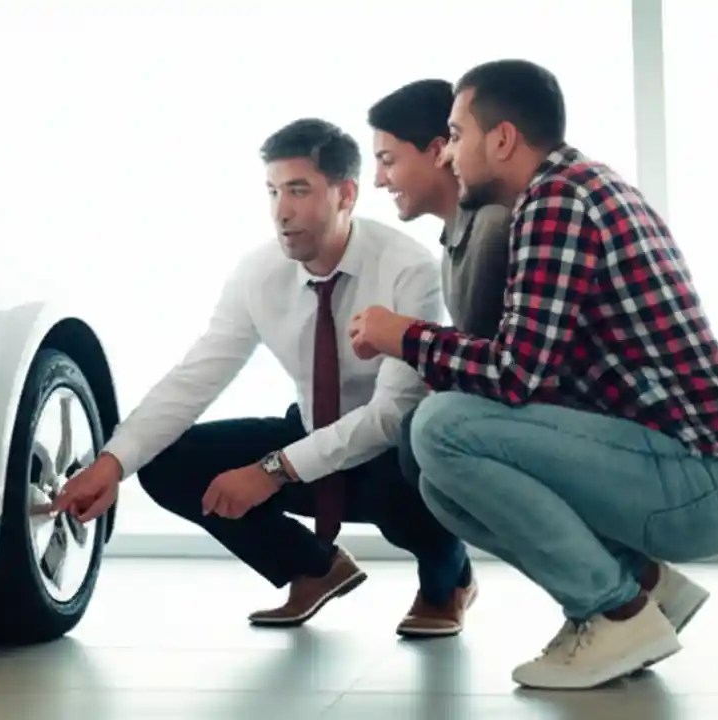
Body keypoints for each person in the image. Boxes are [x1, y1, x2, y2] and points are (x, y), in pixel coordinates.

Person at [347, 58, 718, 690]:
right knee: (441, 480)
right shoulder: (574, 187)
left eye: (458, 135)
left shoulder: (557, 201)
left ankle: (614, 612)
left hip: (702, 480)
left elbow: (518, 376)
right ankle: (649, 589)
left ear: (503, 139)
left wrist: (405, 337)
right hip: (676, 468)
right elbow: (541, 377)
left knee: (439, 426)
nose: (452, 154)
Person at [53, 118, 477, 636]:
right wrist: (111, 463)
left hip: (391, 453)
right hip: (311, 432)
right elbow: (195, 378)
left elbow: (389, 417)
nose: (281, 211)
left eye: (299, 191)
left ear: (346, 194)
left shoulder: (408, 269)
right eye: (273, 192)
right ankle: (312, 567)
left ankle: (447, 583)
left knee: (414, 472)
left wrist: (272, 470)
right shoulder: (259, 273)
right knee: (166, 464)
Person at [367, 78, 514, 487]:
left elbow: (495, 368)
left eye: (387, 160)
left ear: (436, 151)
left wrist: (400, 337)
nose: (379, 179)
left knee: (421, 434)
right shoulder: (454, 239)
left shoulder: (490, 228)